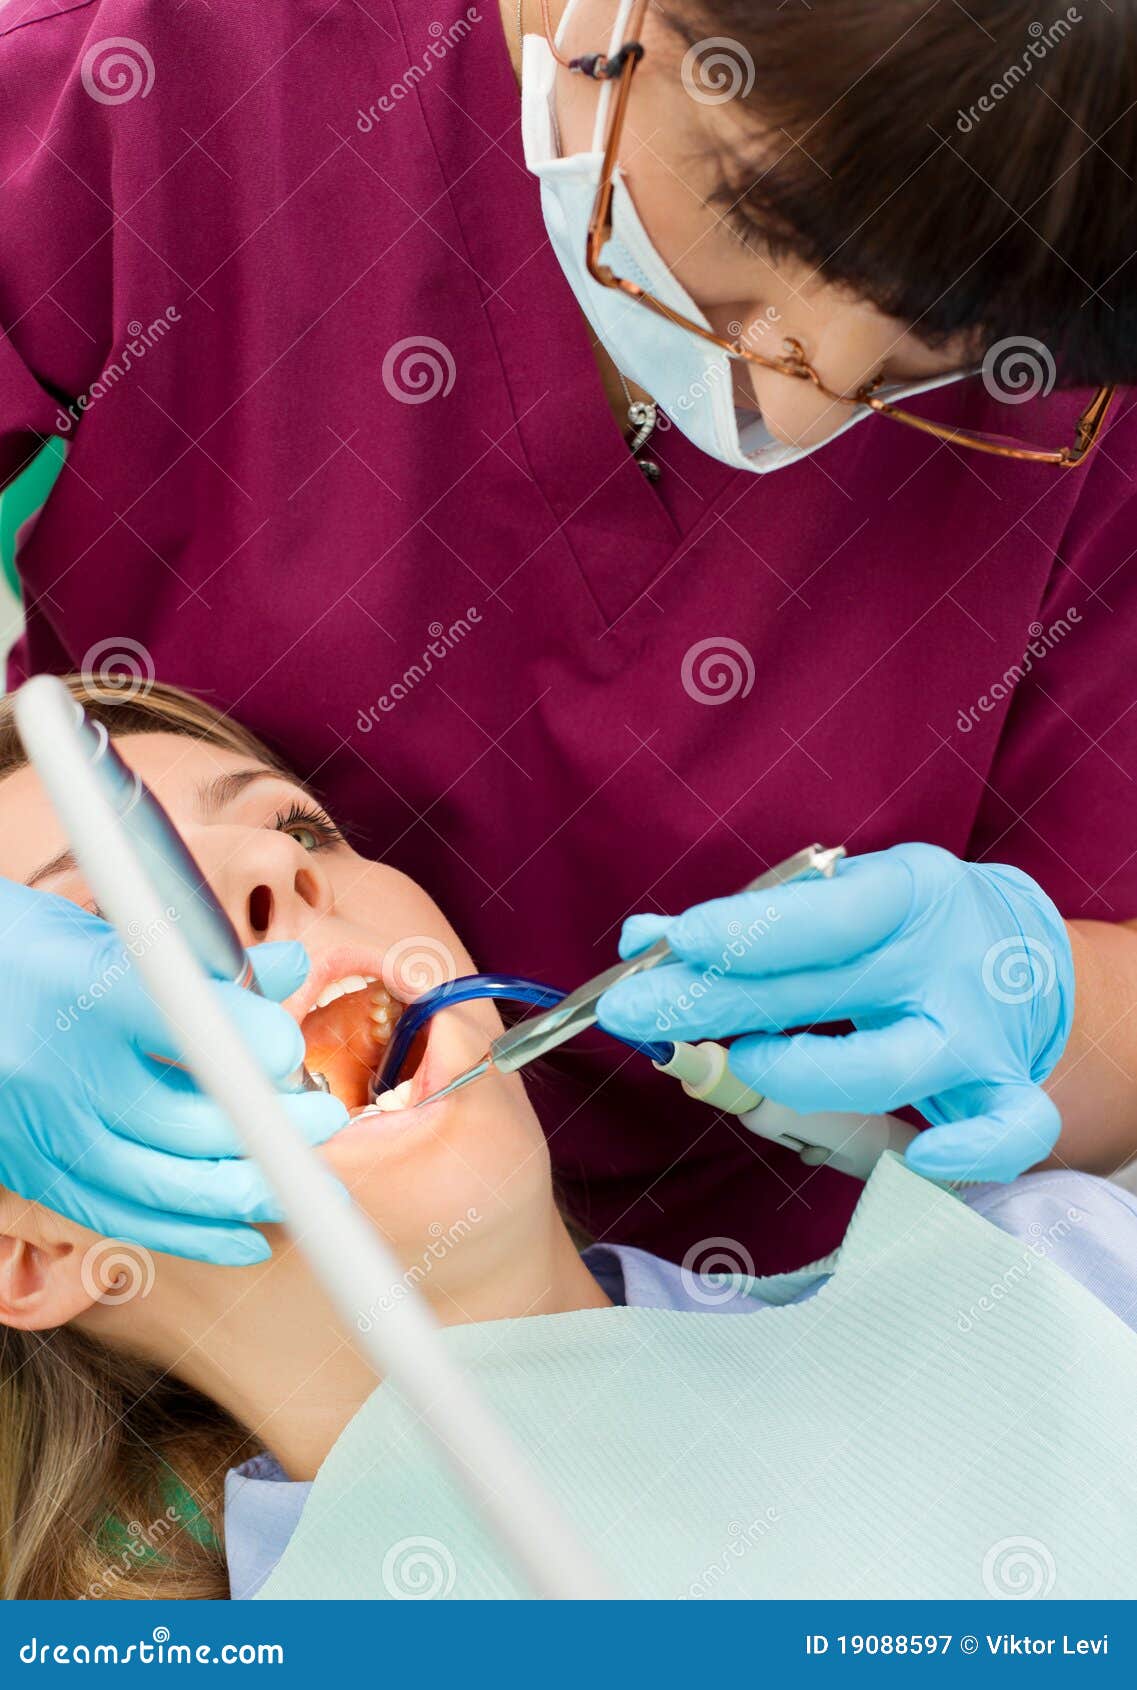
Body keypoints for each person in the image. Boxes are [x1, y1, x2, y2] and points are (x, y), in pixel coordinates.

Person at [1, 0, 1136, 1276]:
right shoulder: (174, 69)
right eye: (765, 223)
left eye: (941, 350)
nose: (795, 404)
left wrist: (1044, 1002)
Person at [2, 676, 1136, 1600]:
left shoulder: (1061, 1275)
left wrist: (1061, 986)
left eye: (299, 826)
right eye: (113, 915)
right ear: (30, 1254)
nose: (271, 867)